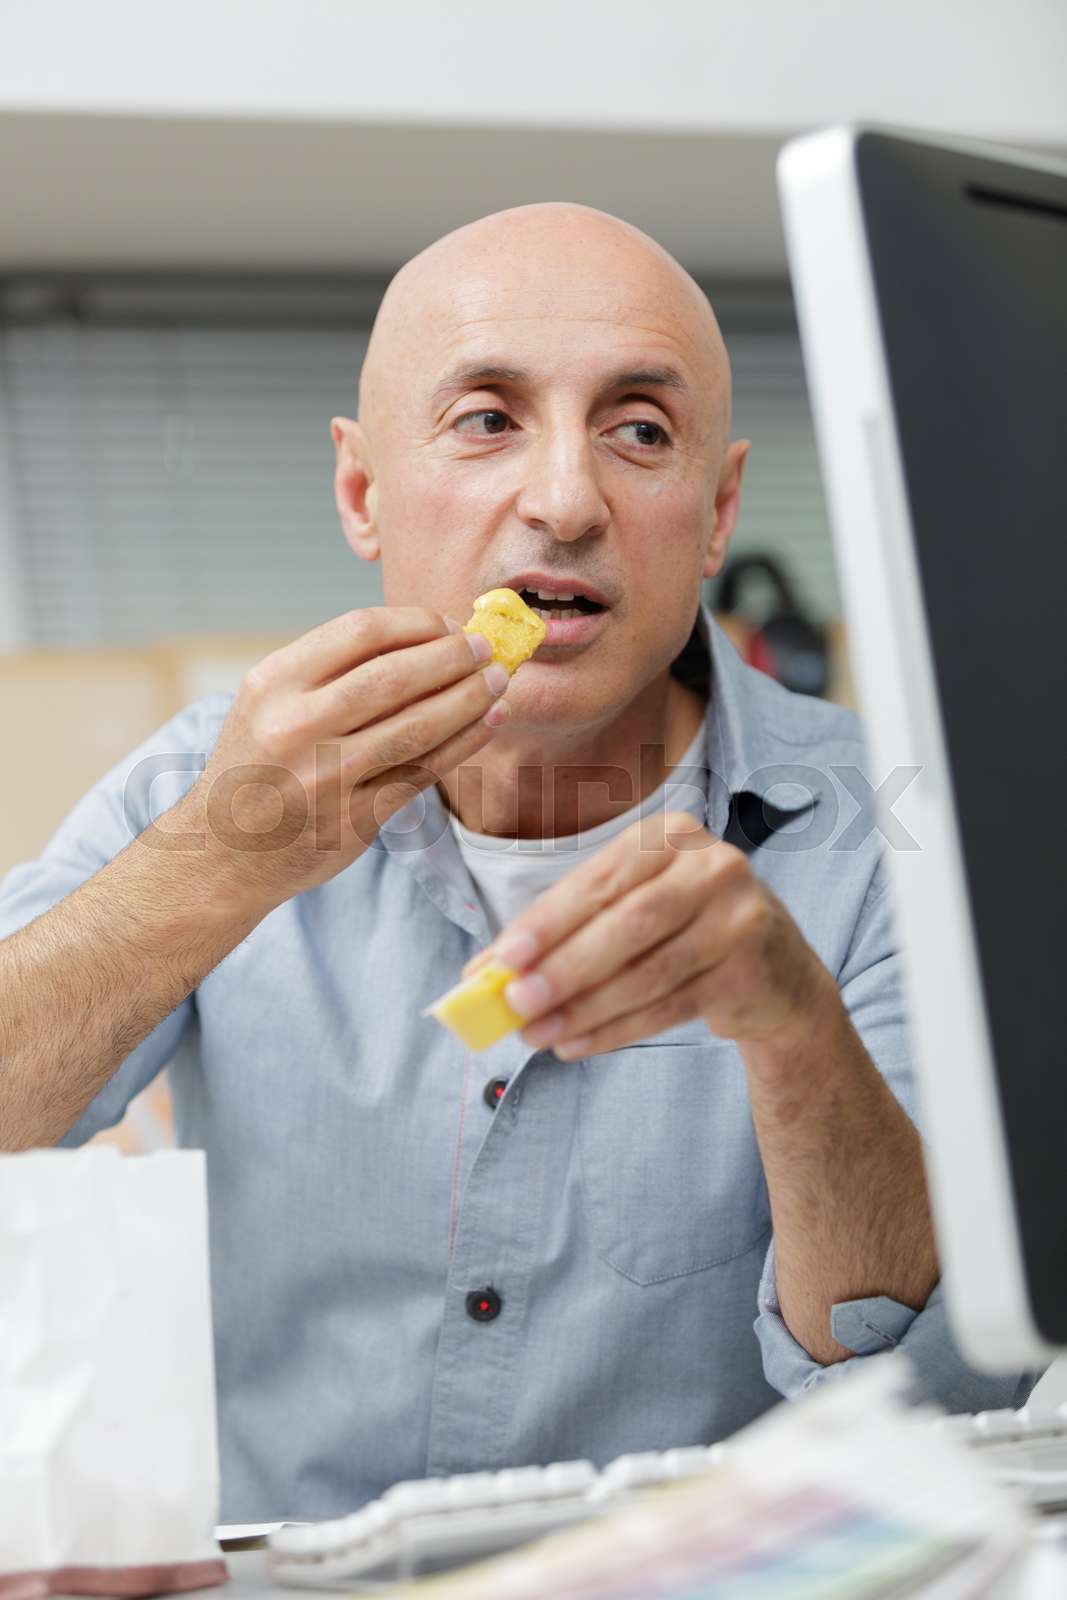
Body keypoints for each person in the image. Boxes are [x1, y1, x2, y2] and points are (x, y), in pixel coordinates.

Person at [0, 203, 1035, 1518]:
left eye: (640, 432)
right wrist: (216, 861)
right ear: (362, 492)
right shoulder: (207, 780)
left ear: (716, 518)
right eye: (486, 419)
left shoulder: (889, 835)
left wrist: (789, 1025)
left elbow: (915, 1380)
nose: (563, 501)